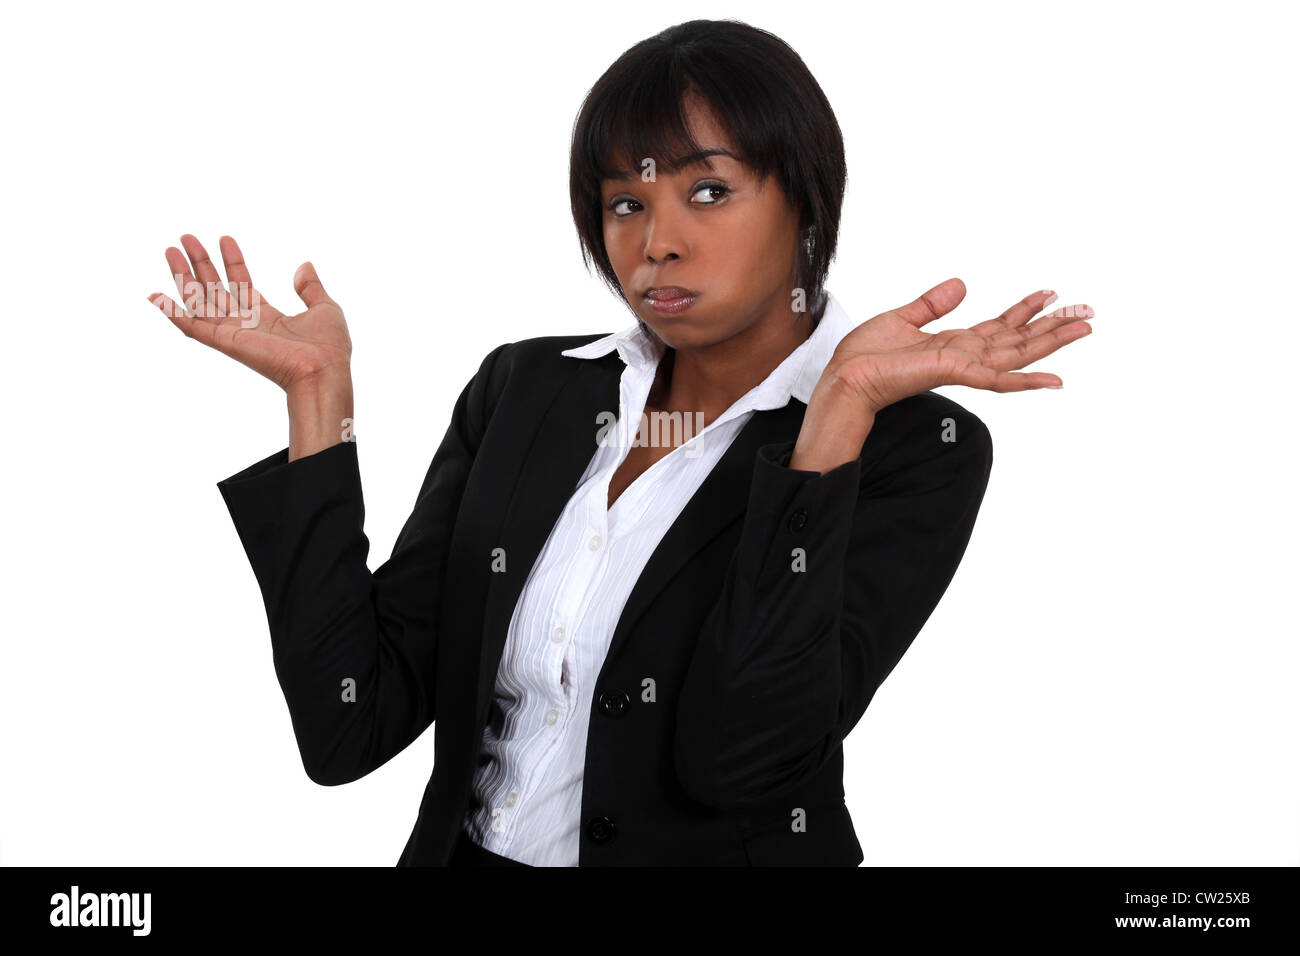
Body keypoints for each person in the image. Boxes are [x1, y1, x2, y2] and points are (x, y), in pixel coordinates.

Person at [145, 18, 1092, 866]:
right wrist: (320, 400)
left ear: (804, 199)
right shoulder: (526, 388)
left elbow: (743, 759)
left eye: (709, 190)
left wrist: (835, 412)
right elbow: (348, 724)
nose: (656, 243)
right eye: (625, 203)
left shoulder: (913, 445)